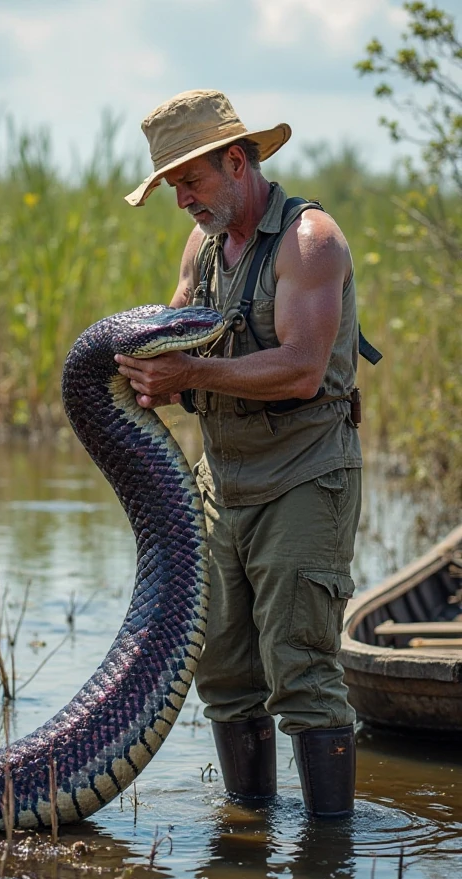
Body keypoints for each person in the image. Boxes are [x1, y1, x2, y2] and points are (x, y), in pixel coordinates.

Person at [116, 89, 363, 817]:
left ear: (236, 161)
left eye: (190, 181)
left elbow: (302, 368)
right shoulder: (202, 245)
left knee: (303, 669)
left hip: (304, 475)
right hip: (221, 477)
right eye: (170, 186)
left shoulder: (310, 241)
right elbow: (174, 334)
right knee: (222, 668)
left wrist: (189, 374)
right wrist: (142, 372)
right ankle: (248, 831)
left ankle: (328, 854)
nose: (182, 199)